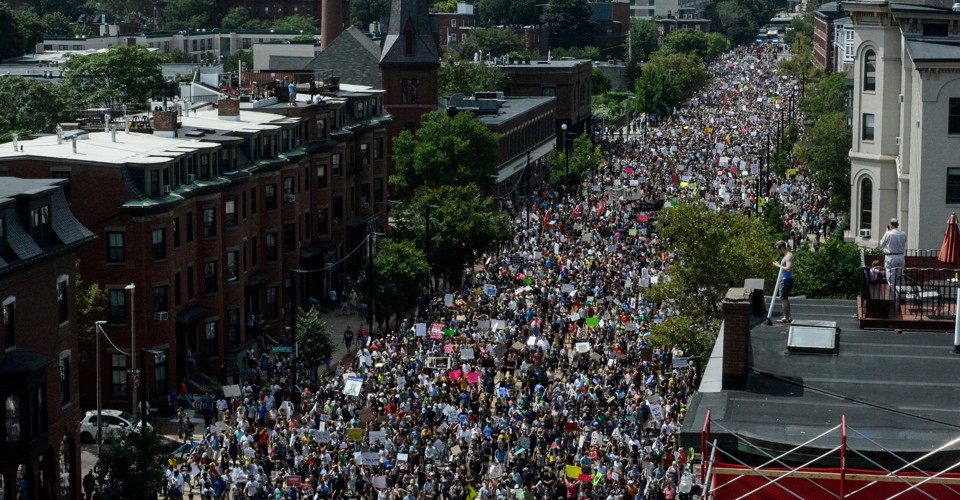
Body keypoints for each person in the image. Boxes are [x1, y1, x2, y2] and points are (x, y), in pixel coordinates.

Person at [880, 218, 907, 304]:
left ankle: (894, 298)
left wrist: (886, 232)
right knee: (900, 277)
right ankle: (902, 297)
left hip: (891, 257)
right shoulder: (903, 234)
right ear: (898, 225)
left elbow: (881, 244)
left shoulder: (888, 234)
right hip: (901, 257)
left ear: (890, 225)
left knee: (891, 278)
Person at [773, 240, 794, 323]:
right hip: (785, 279)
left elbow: (788, 268)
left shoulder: (788, 256)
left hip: (786, 280)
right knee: (785, 299)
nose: (778, 251)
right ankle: (788, 316)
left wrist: (778, 265)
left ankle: (786, 317)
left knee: (783, 299)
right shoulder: (786, 256)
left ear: (781, 248)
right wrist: (780, 264)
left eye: (778, 249)